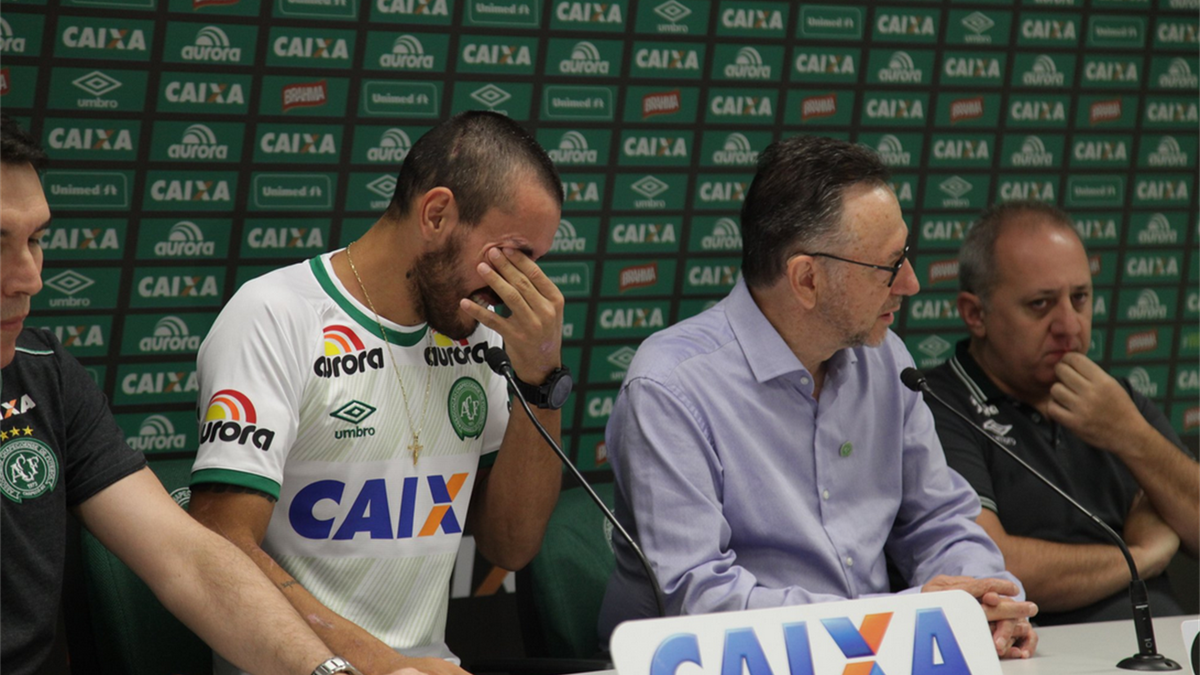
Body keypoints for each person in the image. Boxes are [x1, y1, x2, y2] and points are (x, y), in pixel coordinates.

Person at [598, 135, 1039, 658]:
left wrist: (987, 600)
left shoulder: (887, 362)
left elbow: (939, 522)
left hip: (877, 659)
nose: (913, 284)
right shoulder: (671, 388)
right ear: (806, 279)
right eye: (888, 266)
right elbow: (702, 603)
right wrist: (900, 619)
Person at [0, 116, 390, 675]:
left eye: (36, 240)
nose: (29, 277)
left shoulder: (45, 375)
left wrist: (328, 673)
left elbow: (187, 559)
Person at [188, 111, 567, 675]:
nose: (521, 286)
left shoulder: (477, 334)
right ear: (436, 214)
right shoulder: (275, 316)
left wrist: (539, 381)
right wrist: (387, 667)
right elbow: (221, 544)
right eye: (513, 254)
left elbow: (509, 546)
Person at [926, 200, 1199, 626]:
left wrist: (1131, 436)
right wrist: (1141, 556)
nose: (1069, 325)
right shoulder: (938, 405)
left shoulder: (1114, 398)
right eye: (1041, 304)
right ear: (975, 314)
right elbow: (989, 566)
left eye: (1080, 298)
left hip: (1167, 644)